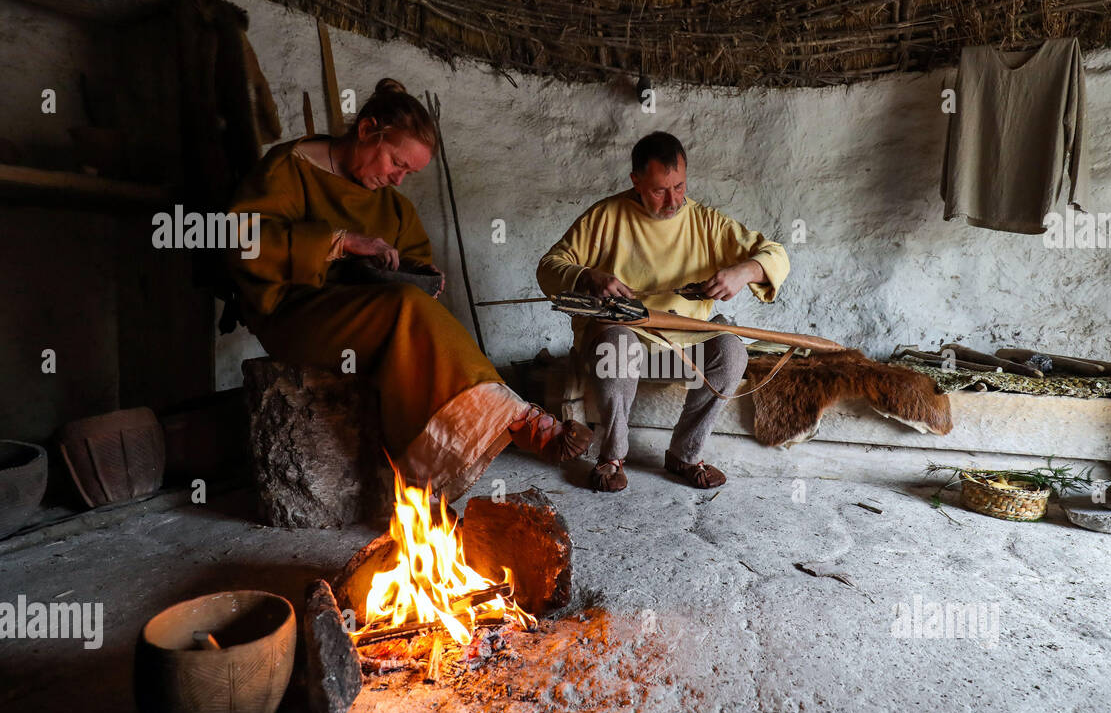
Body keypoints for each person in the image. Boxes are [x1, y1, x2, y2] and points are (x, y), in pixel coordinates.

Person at [225, 78, 590, 499]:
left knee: (411, 314)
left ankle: (424, 486)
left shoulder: (394, 204)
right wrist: (339, 242)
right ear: (366, 131)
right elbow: (240, 241)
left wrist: (422, 272)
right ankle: (517, 421)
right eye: (395, 163)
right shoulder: (289, 167)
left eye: (408, 173)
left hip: (370, 315)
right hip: (294, 315)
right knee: (403, 307)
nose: (398, 179)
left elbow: (412, 254)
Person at [537, 131, 790, 493]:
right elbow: (549, 266)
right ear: (636, 181)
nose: (673, 200)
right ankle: (611, 456)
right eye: (659, 190)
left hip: (680, 354)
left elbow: (775, 253)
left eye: (679, 186)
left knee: (730, 350)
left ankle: (685, 454)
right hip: (628, 349)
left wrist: (744, 271)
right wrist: (586, 276)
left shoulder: (706, 223)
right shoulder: (606, 217)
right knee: (616, 346)